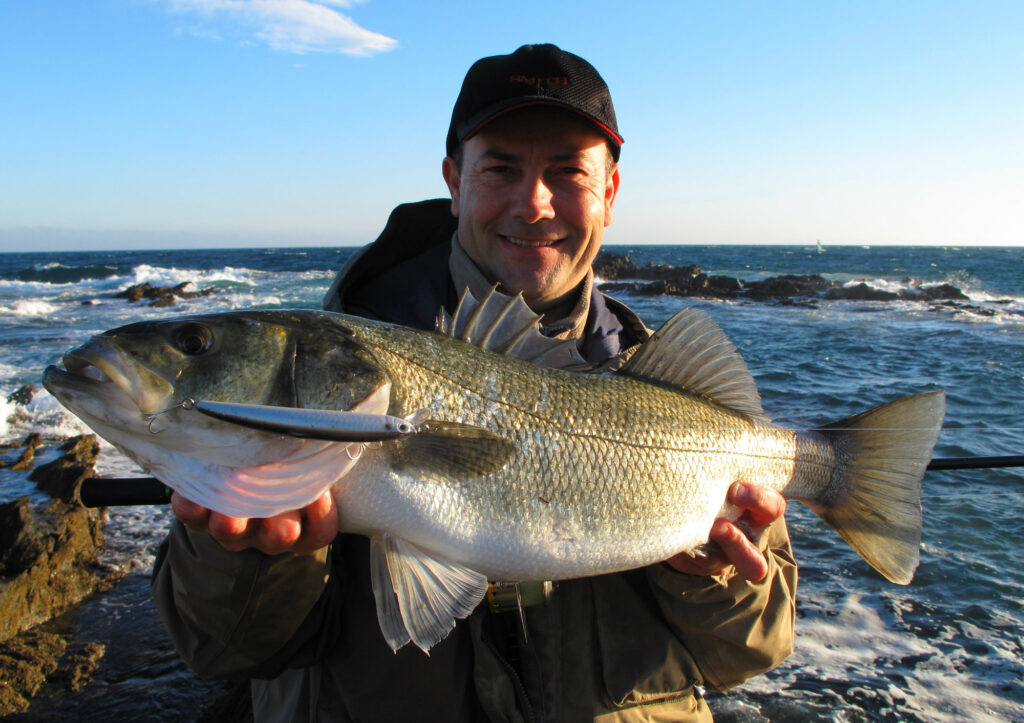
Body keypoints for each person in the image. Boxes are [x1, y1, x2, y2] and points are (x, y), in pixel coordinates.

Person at [152, 44, 797, 722]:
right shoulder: (326, 369)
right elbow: (218, 650)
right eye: (501, 168)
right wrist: (254, 561)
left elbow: (752, 651)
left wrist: (713, 576)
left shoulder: (674, 399)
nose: (534, 204)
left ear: (608, 193)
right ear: (455, 181)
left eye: (567, 171)